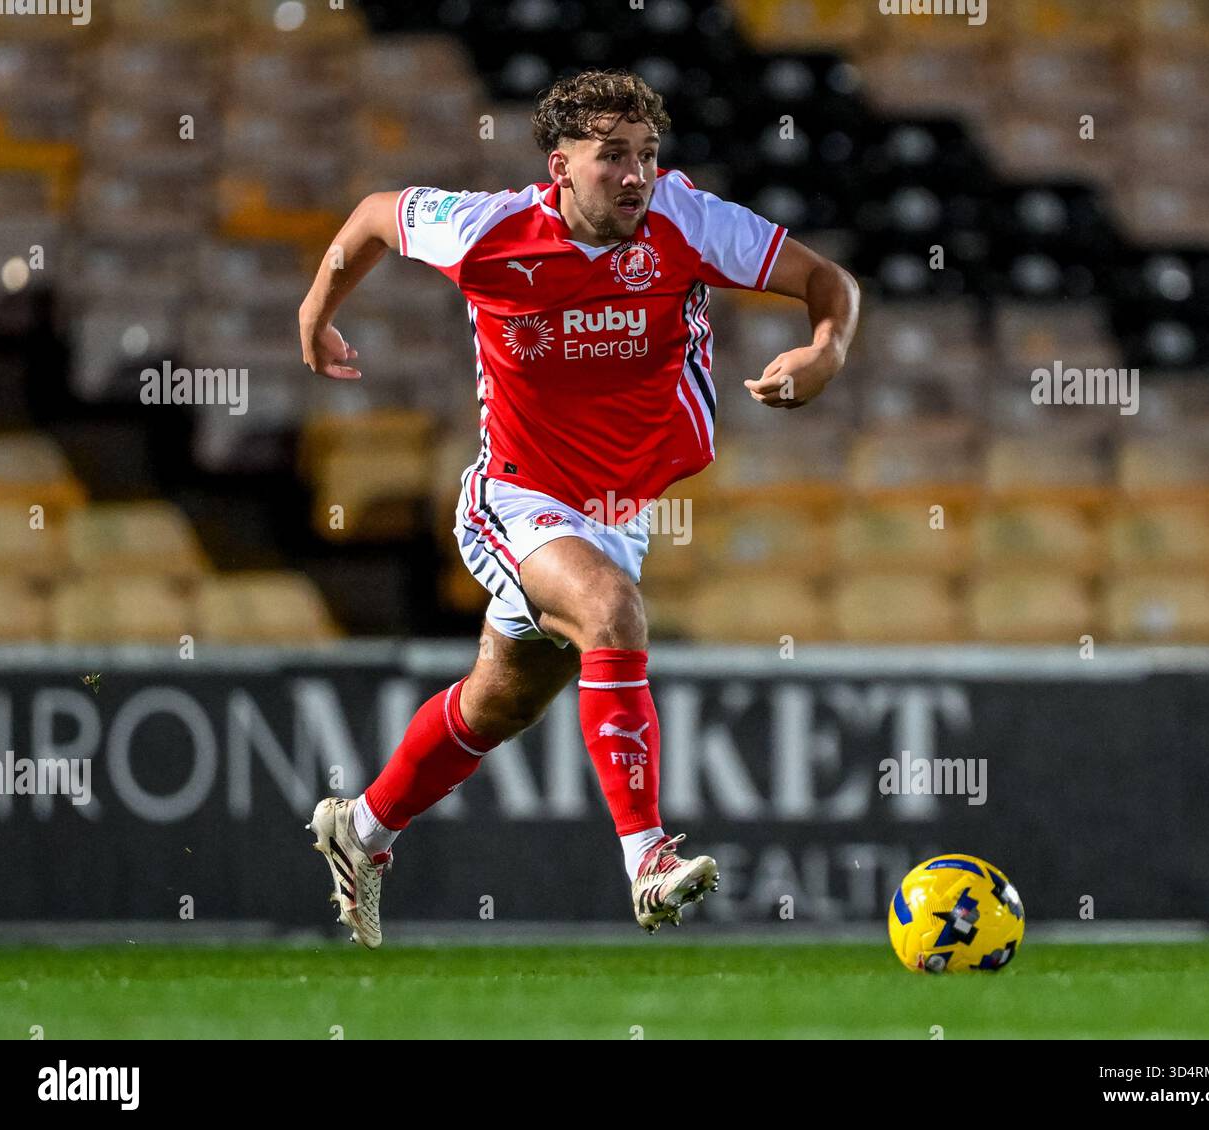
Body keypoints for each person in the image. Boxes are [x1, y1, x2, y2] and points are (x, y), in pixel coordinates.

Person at [298, 68, 860, 948]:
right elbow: (375, 214)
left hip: (618, 513)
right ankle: (648, 861)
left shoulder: (687, 219)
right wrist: (317, 306)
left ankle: (362, 830)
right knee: (610, 611)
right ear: (560, 166)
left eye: (646, 156)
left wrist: (824, 353)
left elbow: (830, 282)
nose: (635, 176)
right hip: (516, 493)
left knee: (500, 703)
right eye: (611, 158)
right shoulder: (488, 231)